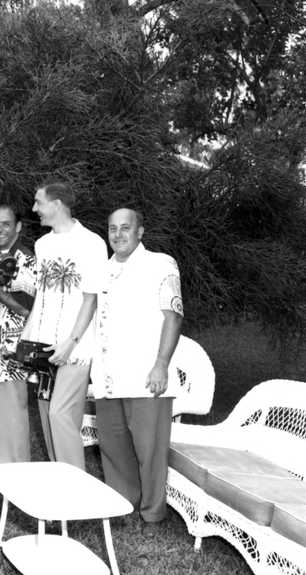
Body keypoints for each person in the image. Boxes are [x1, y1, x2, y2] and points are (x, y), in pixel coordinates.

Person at [92, 208, 183, 535]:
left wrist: (161, 365)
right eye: (112, 228)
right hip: (108, 378)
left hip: (146, 378)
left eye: (125, 228)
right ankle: (123, 507)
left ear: (140, 231)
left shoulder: (161, 264)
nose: (117, 234)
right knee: (114, 450)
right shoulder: (101, 270)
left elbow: (173, 317)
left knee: (150, 452)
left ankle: (153, 516)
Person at [20, 181, 106, 471]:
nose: (34, 209)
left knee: (60, 414)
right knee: (48, 417)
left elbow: (91, 299)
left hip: (75, 347)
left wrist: (71, 342)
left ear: (57, 205)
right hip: (44, 346)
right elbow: (41, 297)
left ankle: (77, 489)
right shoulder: (42, 245)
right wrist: (25, 337)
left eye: (38, 202)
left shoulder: (92, 243)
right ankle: (60, 485)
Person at [0, 204, 36, 466]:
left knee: (12, 413)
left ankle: (15, 471)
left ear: (18, 227)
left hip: (13, 353)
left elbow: (26, 309)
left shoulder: (24, 259)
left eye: (5, 224)